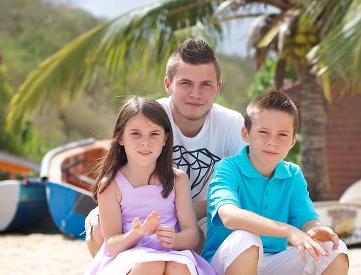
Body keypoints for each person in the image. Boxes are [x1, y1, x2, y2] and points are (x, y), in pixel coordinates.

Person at [49, 96, 222, 275]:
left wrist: (174, 239)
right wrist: (137, 234)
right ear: (120, 138)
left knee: (179, 268)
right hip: (127, 271)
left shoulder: (177, 180)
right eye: (136, 134)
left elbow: (192, 235)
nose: (145, 142)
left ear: (166, 138)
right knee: (151, 265)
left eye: (154, 134)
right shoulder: (111, 184)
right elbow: (113, 244)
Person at [201, 90, 349, 275]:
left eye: (283, 135)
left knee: (336, 249)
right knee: (247, 239)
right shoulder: (227, 168)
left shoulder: (292, 174)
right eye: (263, 132)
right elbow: (229, 216)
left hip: (269, 274)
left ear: (293, 140)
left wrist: (318, 230)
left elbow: (307, 220)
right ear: (246, 133)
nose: (272, 141)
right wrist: (289, 231)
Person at [86, 38, 246, 256]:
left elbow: (246, 184)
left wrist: (194, 209)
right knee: (98, 225)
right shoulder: (150, 118)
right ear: (168, 84)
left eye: (205, 85)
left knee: (231, 234)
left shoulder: (232, 124)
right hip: (140, 212)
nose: (195, 93)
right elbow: (119, 174)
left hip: (203, 214)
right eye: (186, 83)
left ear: (218, 88)